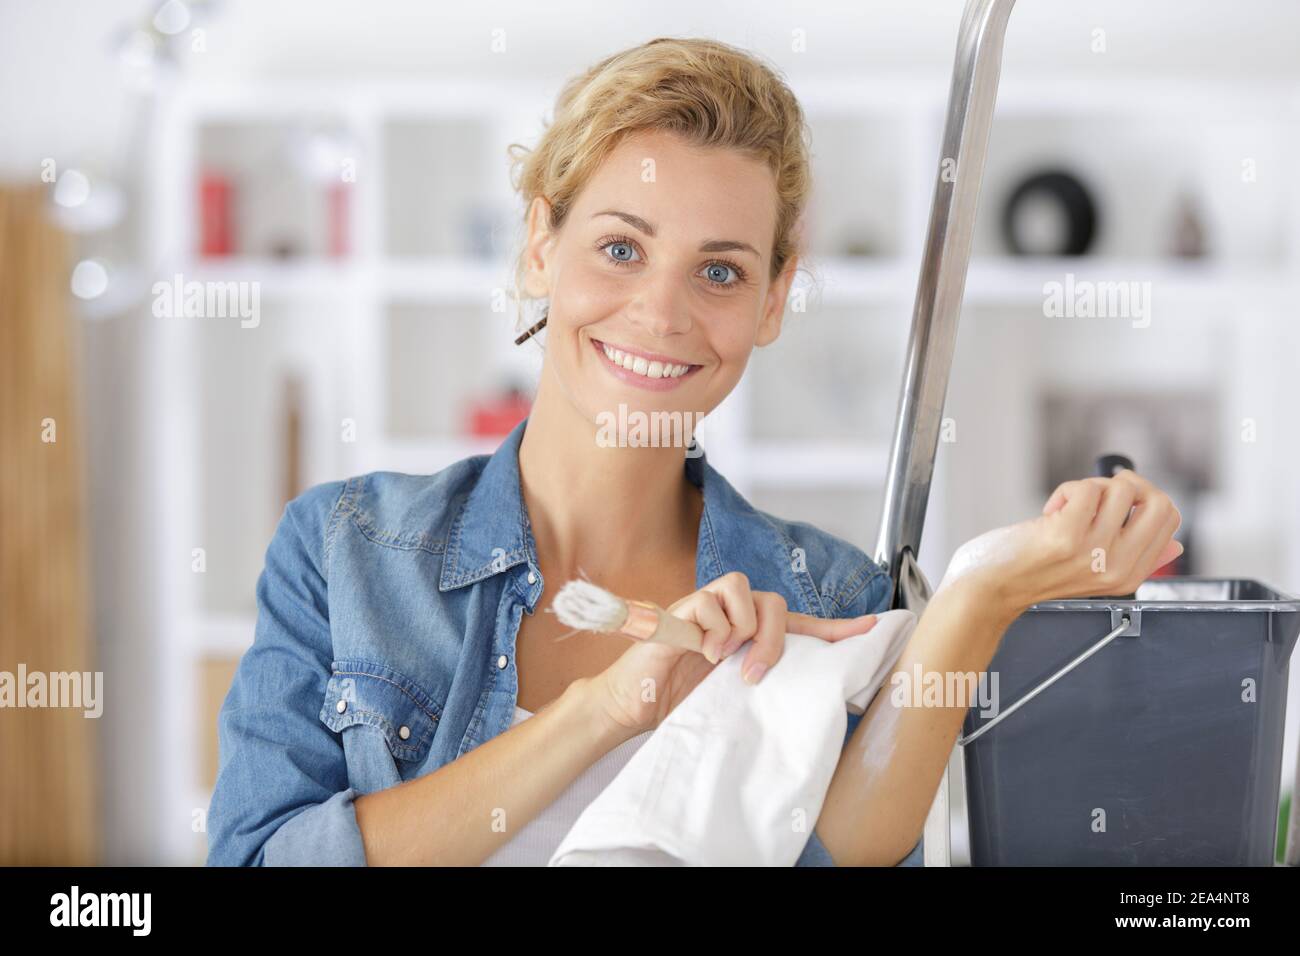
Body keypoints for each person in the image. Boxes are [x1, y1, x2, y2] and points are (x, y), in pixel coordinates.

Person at [206, 37, 1182, 867]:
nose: (661, 313)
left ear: (771, 297)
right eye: (621, 248)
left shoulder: (828, 599)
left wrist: (979, 594)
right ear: (541, 240)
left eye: (719, 270)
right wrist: (605, 708)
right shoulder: (347, 550)